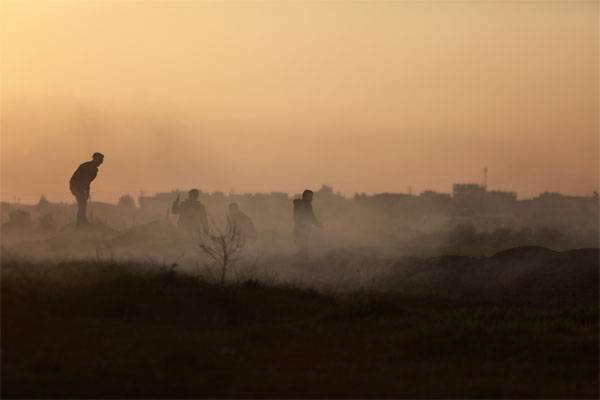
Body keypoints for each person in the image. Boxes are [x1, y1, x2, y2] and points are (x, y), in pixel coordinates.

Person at [70, 152, 104, 226]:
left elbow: (87, 182)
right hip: (76, 185)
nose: (102, 162)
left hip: (79, 186)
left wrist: (86, 192)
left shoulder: (93, 168)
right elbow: (85, 181)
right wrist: (86, 192)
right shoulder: (90, 167)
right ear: (96, 159)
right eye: (101, 160)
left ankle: (82, 221)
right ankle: (80, 223)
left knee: (83, 203)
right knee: (82, 203)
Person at [293, 189, 322, 258]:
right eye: (310, 197)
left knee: (301, 246)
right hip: (304, 229)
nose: (312, 199)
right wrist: (319, 225)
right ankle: (303, 262)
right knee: (304, 248)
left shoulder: (298, 204)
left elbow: (296, 217)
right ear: (306, 196)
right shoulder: (307, 204)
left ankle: (300, 261)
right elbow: (311, 217)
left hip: (297, 228)